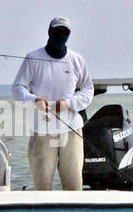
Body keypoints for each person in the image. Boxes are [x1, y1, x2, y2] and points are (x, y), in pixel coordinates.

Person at [12, 16, 93, 191]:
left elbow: (88, 90)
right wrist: (34, 100)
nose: (61, 35)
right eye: (57, 32)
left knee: (74, 185)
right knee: (42, 186)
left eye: (65, 32)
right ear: (49, 32)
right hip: (42, 130)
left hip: (71, 129)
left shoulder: (76, 60)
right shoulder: (33, 58)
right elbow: (18, 88)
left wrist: (69, 103)